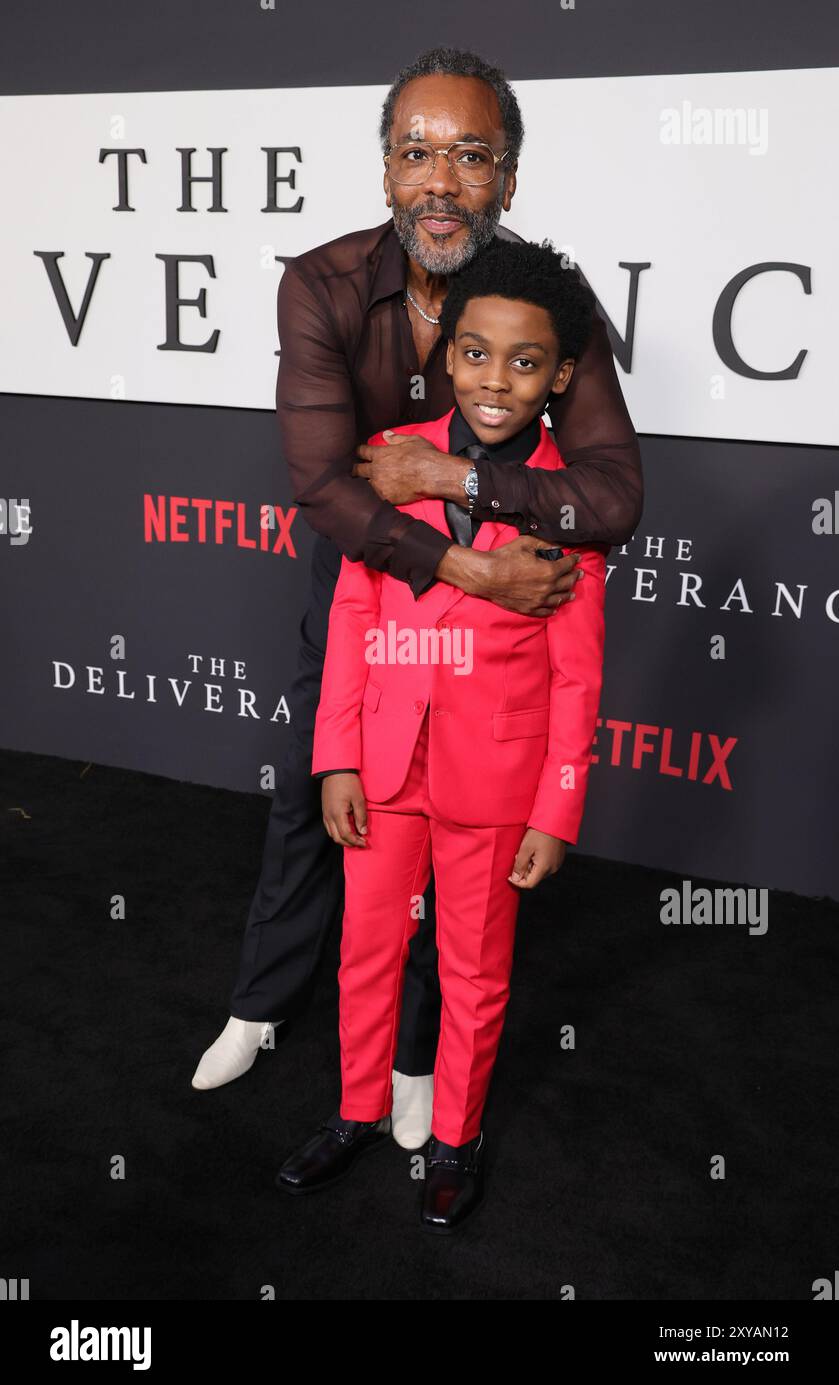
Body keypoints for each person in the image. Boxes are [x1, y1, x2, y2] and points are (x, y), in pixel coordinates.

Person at [191, 47, 641, 1150]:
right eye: (415, 153)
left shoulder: (551, 296)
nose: (439, 181)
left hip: (497, 614)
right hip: (367, 574)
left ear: (509, 177)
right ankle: (261, 1002)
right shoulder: (325, 283)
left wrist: (460, 483)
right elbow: (320, 485)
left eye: (470, 156)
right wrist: (457, 559)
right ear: (386, 169)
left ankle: (415, 1065)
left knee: (462, 859)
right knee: (323, 793)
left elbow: (611, 493)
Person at [275, 237, 606, 1231]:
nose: (492, 379)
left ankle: (455, 1139)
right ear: (448, 353)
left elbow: (577, 672)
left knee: (471, 966)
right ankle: (355, 1111)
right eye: (473, 352)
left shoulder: (566, 501)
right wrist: (333, 754)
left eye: (521, 360)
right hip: (381, 766)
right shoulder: (391, 460)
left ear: (558, 376)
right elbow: (352, 617)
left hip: (493, 787)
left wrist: (555, 806)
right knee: (364, 948)